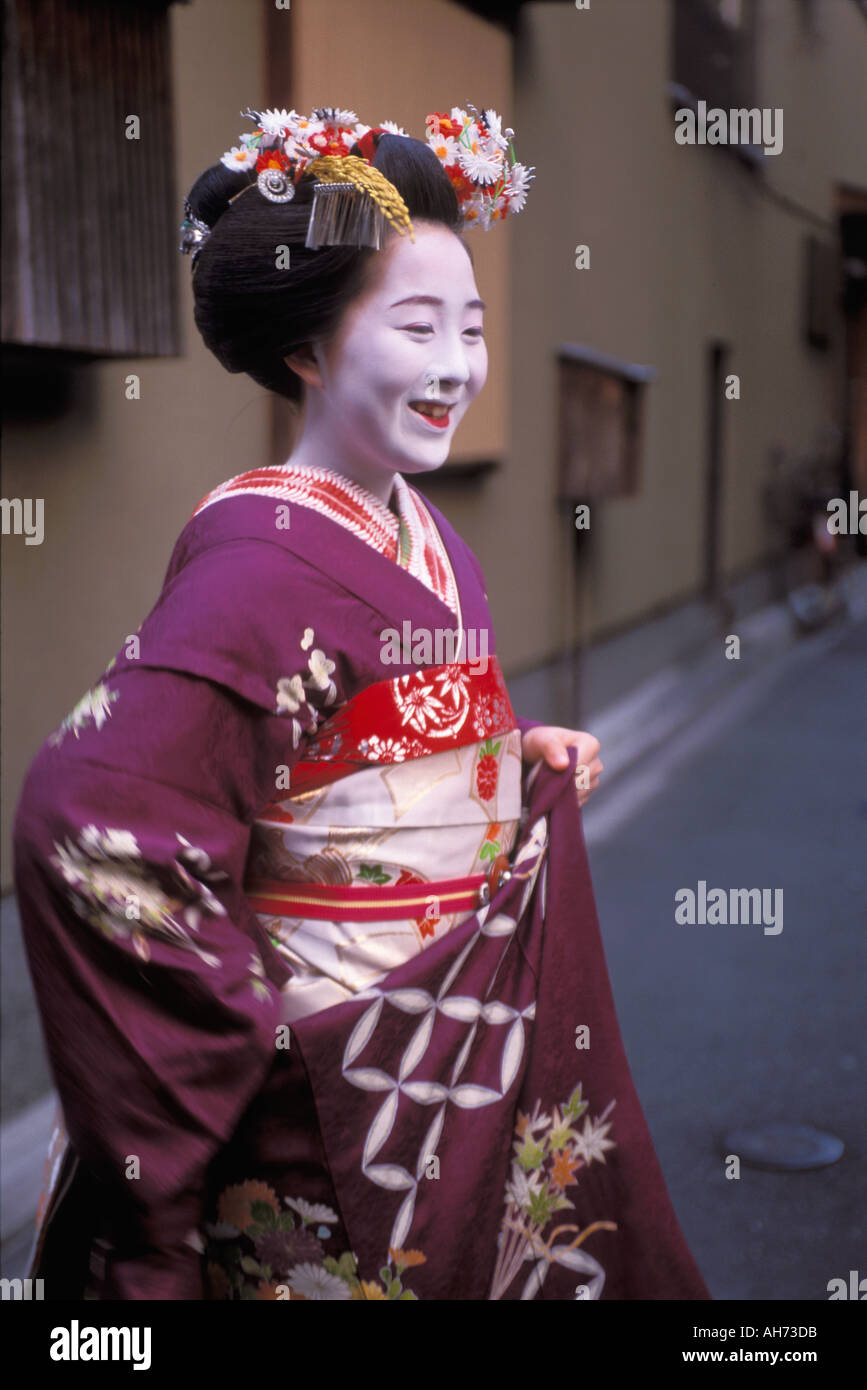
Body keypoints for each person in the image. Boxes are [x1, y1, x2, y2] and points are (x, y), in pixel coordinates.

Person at [13, 106, 709, 1301]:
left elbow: (382, 736)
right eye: (417, 326)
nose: (458, 366)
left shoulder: (425, 537)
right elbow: (90, 817)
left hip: (443, 1058)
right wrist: (247, 1032)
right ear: (310, 351)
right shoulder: (258, 567)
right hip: (330, 1093)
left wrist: (508, 750)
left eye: (473, 329)